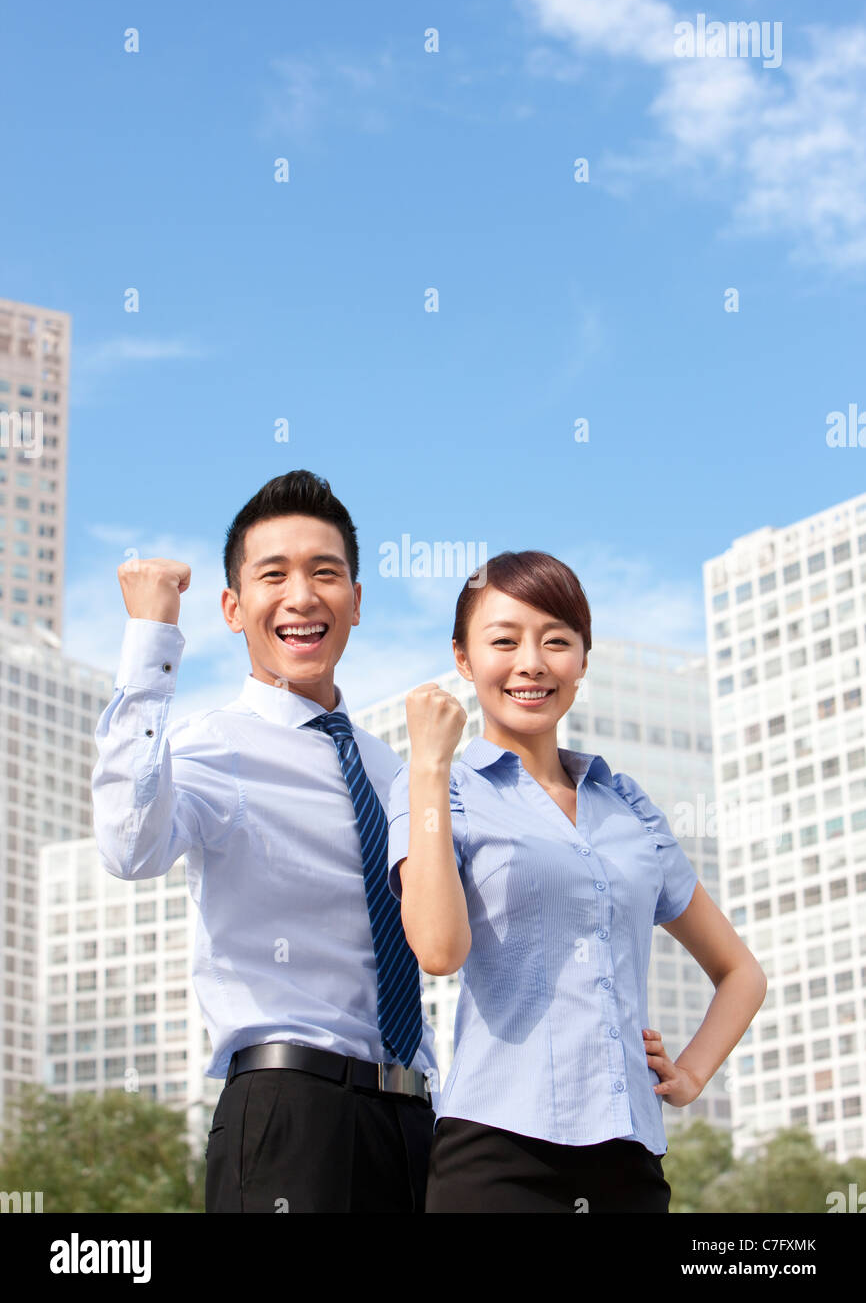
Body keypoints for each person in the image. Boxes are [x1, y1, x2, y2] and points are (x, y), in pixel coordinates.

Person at [91, 469, 438, 1213]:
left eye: (326, 573)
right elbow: (128, 846)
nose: (303, 596)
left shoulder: (394, 769)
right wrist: (150, 636)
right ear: (232, 606)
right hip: (290, 1118)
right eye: (272, 575)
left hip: (418, 1125)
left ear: (356, 601)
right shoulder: (214, 747)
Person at [387, 549, 767, 1214]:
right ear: (463, 658)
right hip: (496, 1152)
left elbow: (741, 972)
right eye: (503, 641)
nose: (531, 662)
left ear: (583, 661)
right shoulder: (439, 789)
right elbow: (439, 950)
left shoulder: (628, 808)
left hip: (629, 1159)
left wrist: (692, 1072)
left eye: (556, 641)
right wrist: (428, 765)